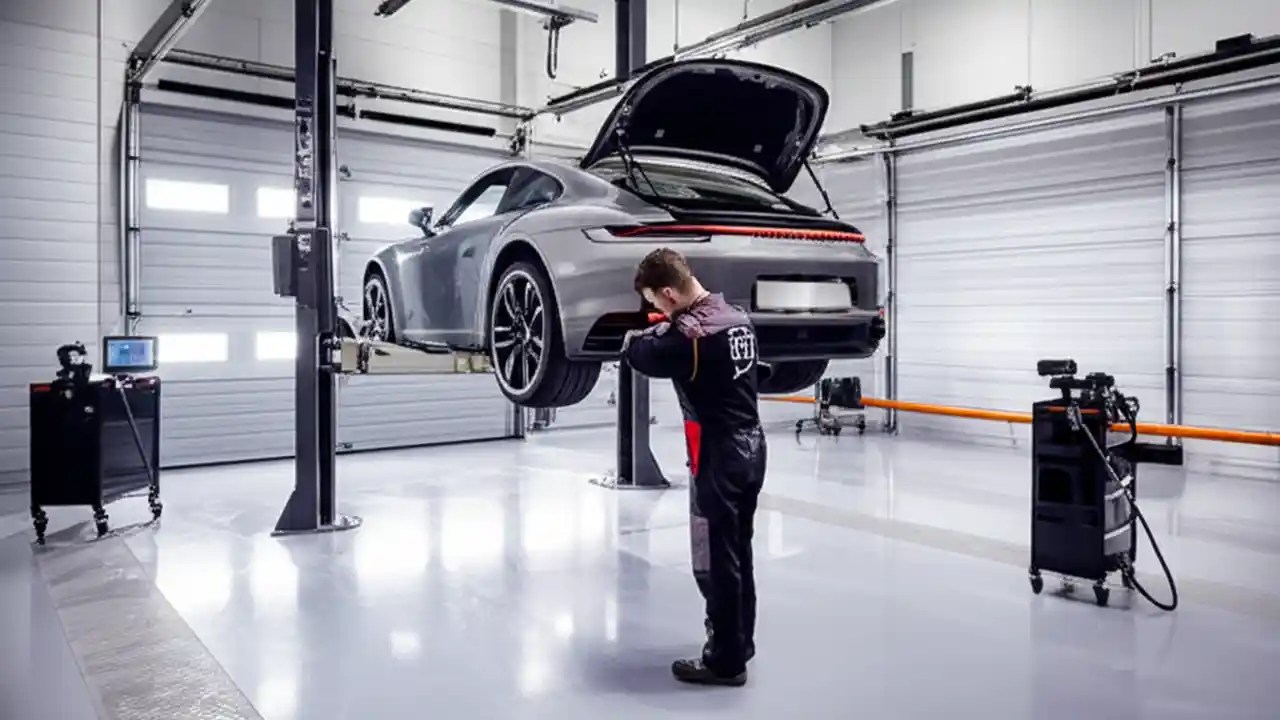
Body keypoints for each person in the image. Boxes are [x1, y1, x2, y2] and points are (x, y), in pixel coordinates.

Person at [622, 247, 768, 687]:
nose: (654, 309)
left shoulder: (688, 337)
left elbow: (639, 354)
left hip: (717, 457)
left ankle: (724, 661)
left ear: (669, 292)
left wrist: (635, 334)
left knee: (712, 561)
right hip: (753, 448)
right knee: (738, 551)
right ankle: (738, 643)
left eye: (654, 301)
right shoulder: (736, 316)